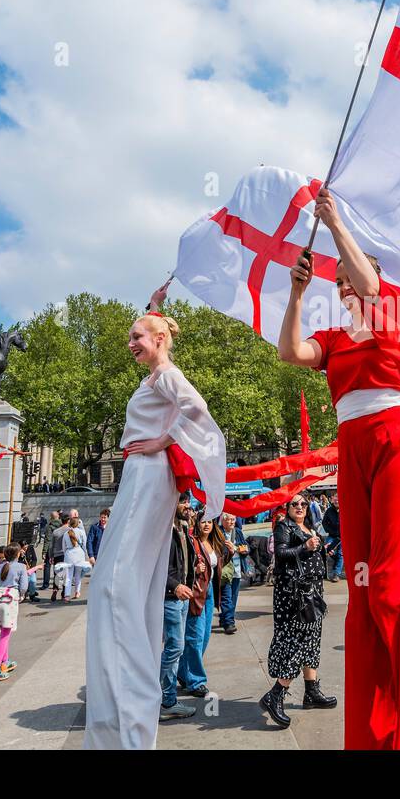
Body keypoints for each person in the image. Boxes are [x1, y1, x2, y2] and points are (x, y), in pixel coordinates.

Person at [277, 186, 400, 749]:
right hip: (353, 443)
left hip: (393, 441)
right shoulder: (335, 339)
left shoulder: (398, 322)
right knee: (363, 573)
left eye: (348, 279)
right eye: (335, 284)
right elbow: (290, 353)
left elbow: (367, 284)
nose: (343, 289)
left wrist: (336, 222)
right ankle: (383, 677)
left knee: (389, 577)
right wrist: (295, 294)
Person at [85, 301, 226, 749]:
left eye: (137, 338)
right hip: (141, 472)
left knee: (117, 581)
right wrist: (155, 308)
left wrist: (163, 441)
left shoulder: (166, 374)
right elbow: (157, 338)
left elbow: (196, 408)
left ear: (159, 340)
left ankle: (130, 694)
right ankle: (128, 693)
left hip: (148, 472)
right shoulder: (156, 373)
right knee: (121, 580)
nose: (130, 344)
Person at [259, 495, 337, 727]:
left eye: (303, 504)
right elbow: (281, 554)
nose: (300, 507)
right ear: (288, 507)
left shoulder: (309, 526)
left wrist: (322, 548)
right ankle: (276, 694)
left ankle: (311, 691)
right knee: (298, 643)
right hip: (294, 596)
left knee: (312, 640)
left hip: (312, 592)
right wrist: (305, 546)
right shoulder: (284, 526)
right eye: (295, 504)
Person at [161, 496, 201, 723]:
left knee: (176, 648)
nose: (188, 505)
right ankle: (163, 700)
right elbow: (155, 565)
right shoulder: (165, 529)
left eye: (188, 501)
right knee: (174, 648)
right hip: (171, 597)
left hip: (182, 596)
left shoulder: (183, 528)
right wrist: (175, 586)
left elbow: (181, 562)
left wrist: (194, 568)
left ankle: (167, 699)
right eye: (184, 501)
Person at [178, 513, 227, 697]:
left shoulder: (213, 542)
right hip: (196, 592)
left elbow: (215, 564)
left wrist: (229, 552)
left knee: (204, 637)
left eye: (209, 521)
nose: (206, 525)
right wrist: (195, 568)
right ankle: (195, 681)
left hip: (209, 592)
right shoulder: (192, 541)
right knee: (195, 638)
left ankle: (182, 672)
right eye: (203, 521)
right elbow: (182, 562)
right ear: (197, 523)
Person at [0, 544, 29, 683]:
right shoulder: (21, 567)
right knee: (5, 635)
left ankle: (5, 661)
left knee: (0, 632)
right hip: (9, 600)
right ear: (17, 555)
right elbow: (23, 587)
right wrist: (21, 596)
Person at [218, 513, 247, 634]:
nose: (231, 522)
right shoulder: (218, 532)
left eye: (233, 519)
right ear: (223, 521)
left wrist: (239, 549)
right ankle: (229, 622)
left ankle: (224, 617)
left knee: (233, 597)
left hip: (236, 569)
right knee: (227, 597)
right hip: (225, 571)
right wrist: (228, 549)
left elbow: (245, 547)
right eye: (229, 519)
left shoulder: (238, 532)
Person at [59, 515, 91, 602]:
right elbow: (84, 545)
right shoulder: (81, 532)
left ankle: (67, 595)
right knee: (78, 575)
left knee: (68, 576)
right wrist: (86, 555)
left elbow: (63, 547)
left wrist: (67, 553)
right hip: (79, 553)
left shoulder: (66, 534)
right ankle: (77, 591)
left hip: (69, 554)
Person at [321, 494, 343, 582]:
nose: (337, 501)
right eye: (335, 500)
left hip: (342, 537)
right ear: (332, 500)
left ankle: (336, 574)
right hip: (332, 536)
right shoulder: (329, 511)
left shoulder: (345, 509)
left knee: (341, 554)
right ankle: (336, 564)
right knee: (329, 551)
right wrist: (329, 530)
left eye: (338, 500)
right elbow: (324, 523)